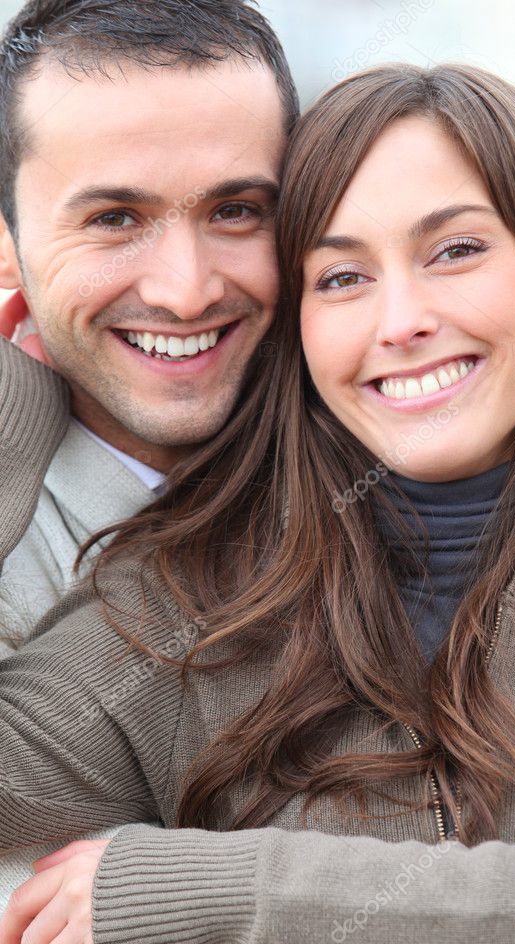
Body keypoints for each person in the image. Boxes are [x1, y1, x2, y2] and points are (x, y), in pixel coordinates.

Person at [0, 62, 515, 944]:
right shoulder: (193, 593)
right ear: (301, 327)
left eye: (454, 251)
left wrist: (236, 885)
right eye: (344, 276)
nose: (401, 321)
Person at [0, 0, 295, 652]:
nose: (186, 293)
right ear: (6, 246)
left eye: (236, 210)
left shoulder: (400, 465)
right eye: (114, 219)